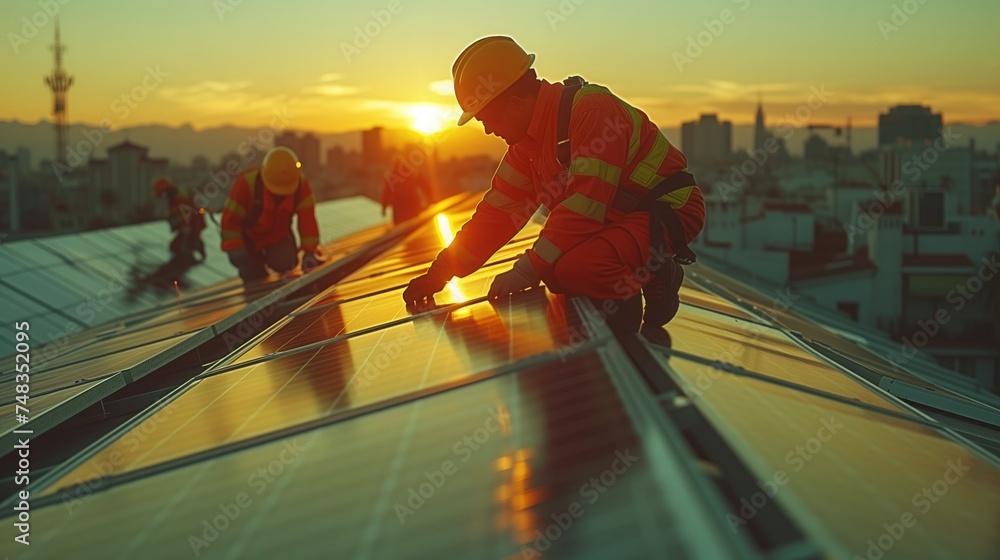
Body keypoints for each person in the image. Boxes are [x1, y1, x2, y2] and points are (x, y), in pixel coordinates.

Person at [403, 36, 706, 332]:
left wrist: (526, 269)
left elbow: (584, 206)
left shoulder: (592, 112)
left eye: (486, 118)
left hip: (667, 211)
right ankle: (646, 277)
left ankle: (647, 294)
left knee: (576, 268)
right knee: (558, 271)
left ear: (516, 103)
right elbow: (495, 216)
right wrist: (441, 271)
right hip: (613, 220)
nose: (488, 130)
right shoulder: (527, 147)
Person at [219, 146, 321, 282]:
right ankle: (254, 268)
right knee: (254, 276)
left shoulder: (301, 185)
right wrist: (235, 247)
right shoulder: (246, 185)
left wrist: (310, 250)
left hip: (277, 236)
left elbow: (308, 221)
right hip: (249, 239)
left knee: (287, 263)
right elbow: (230, 222)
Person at [153, 177, 205, 264]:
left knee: (180, 247)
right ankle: (193, 246)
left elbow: (187, 215)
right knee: (175, 246)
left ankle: (193, 248)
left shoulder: (180, 198)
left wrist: (185, 228)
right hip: (191, 225)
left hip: (193, 225)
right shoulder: (174, 197)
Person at [381, 154, 432, 225]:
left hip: (406, 205)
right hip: (405, 205)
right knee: (410, 227)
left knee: (406, 228)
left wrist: (384, 207)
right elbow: (426, 186)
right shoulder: (411, 173)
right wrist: (430, 199)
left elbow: (386, 193)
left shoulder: (395, 176)